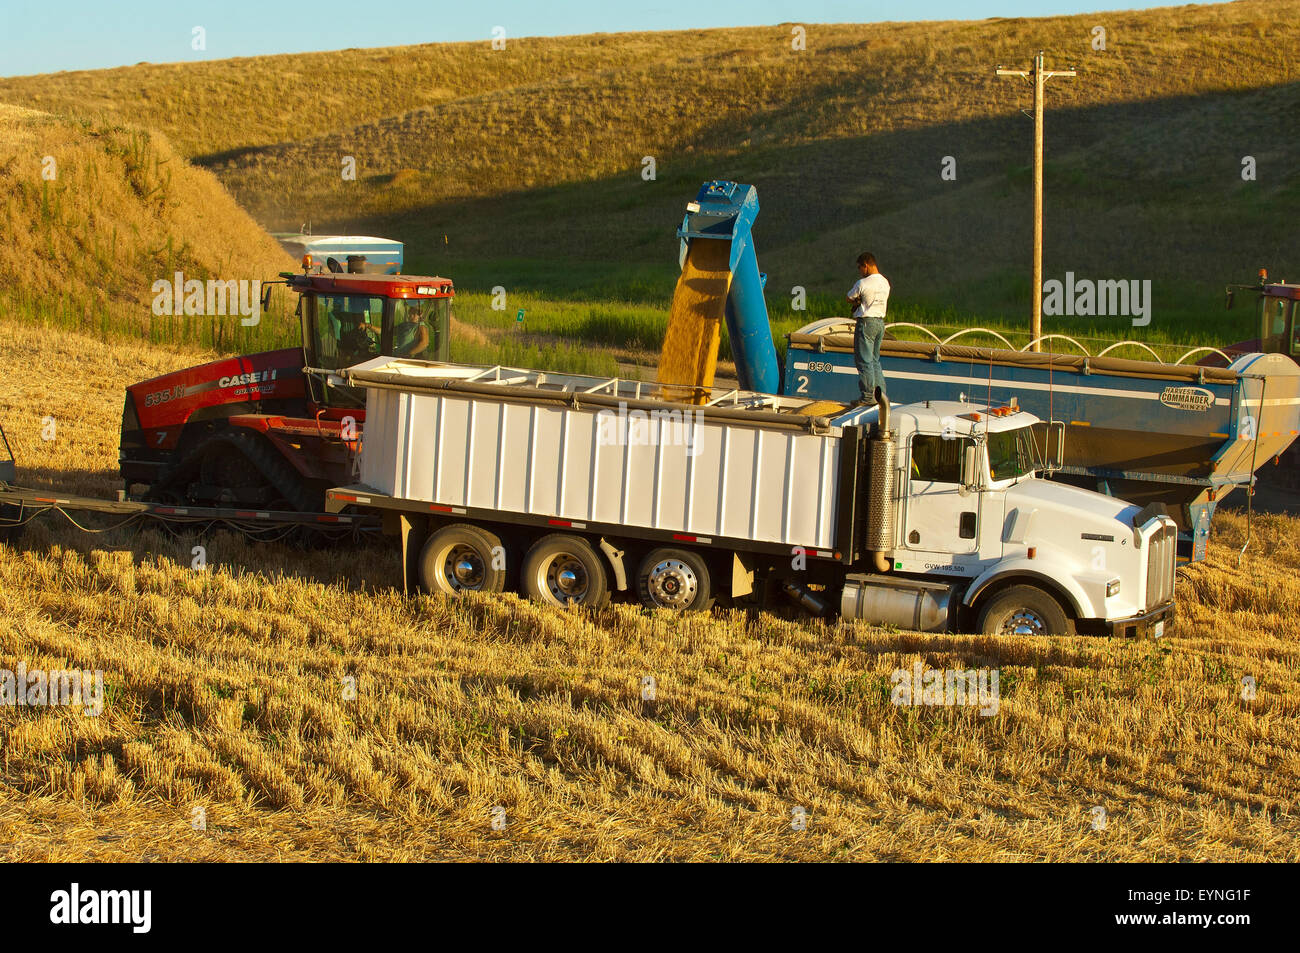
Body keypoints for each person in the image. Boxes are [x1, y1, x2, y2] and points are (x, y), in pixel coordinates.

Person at [845, 252, 890, 406]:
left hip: (866, 322)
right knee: (875, 360)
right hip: (880, 323)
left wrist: (857, 301)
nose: (859, 271)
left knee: (863, 361)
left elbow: (848, 298)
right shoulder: (885, 282)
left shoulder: (862, 283)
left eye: (860, 267)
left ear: (866, 265)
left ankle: (867, 396)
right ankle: (880, 395)